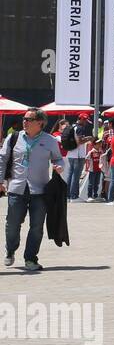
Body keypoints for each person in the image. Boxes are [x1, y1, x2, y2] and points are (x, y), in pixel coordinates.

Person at [1, 108, 64, 271]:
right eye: (24, 118)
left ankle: (30, 258)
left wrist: (59, 166)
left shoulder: (50, 140)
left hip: (40, 190)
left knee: (36, 226)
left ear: (40, 123)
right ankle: (10, 249)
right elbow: (2, 159)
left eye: (29, 119)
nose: (25, 121)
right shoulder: (13, 137)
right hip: (17, 188)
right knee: (12, 224)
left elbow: (58, 158)